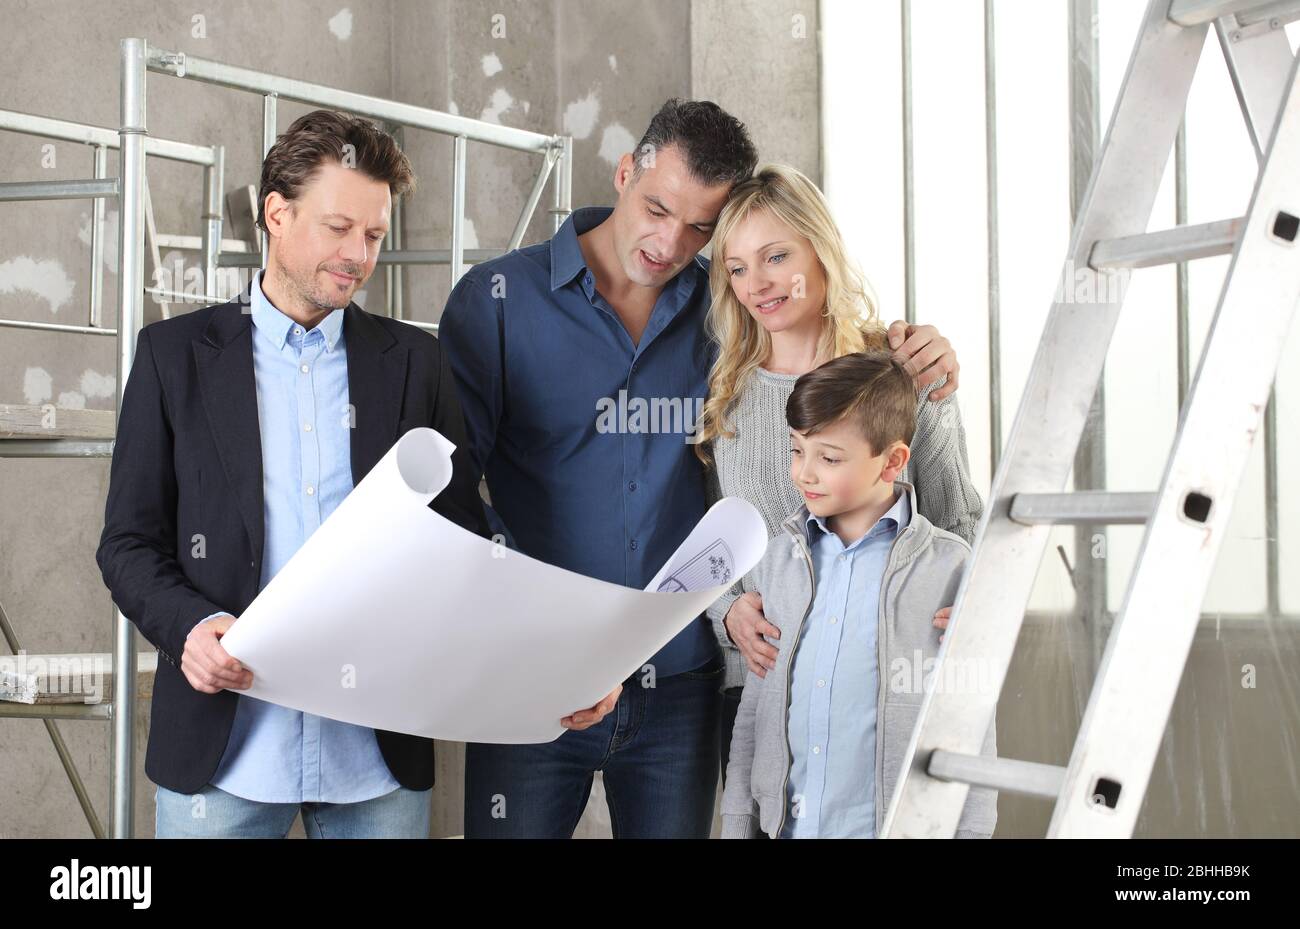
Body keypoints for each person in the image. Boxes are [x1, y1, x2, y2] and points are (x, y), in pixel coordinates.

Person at [439, 99, 963, 838]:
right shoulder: (497, 302)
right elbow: (454, 490)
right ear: (625, 173)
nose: (669, 242)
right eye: (656, 208)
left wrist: (918, 351)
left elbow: (827, 383)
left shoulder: (728, 315)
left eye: (701, 230)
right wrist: (536, 627)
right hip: (536, 671)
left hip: (684, 685)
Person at [96, 109, 612, 838]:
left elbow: (467, 547)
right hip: (226, 750)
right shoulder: (172, 358)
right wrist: (193, 626)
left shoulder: (415, 363)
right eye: (339, 228)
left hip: (377, 755)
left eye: (373, 235)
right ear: (276, 213)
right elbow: (127, 543)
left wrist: (562, 658)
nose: (358, 255)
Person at [695, 163, 984, 785]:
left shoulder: (900, 371)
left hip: (888, 685)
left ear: (820, 249)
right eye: (738, 268)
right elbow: (711, 543)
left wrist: (974, 601)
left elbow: (957, 519)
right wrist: (727, 612)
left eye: (776, 256)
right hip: (766, 695)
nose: (756, 285)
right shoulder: (727, 395)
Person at [721, 351, 997, 838]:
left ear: (892, 461)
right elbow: (757, 701)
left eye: (828, 458)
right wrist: (739, 820)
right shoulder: (780, 560)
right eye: (796, 449)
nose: (804, 473)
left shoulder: (949, 568)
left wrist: (971, 831)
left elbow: (969, 718)